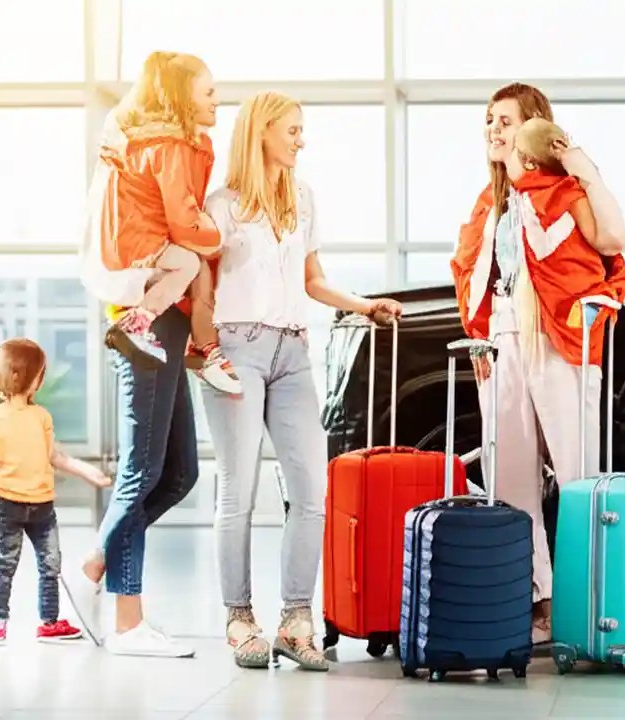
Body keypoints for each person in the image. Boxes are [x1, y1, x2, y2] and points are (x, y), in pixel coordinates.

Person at [201, 91, 402, 670]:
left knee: (312, 491)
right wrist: (206, 350)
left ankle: (295, 618)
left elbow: (313, 278)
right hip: (236, 345)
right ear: (261, 131)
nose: (300, 139)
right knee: (237, 492)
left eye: (302, 129)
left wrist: (363, 305)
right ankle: (239, 619)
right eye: (291, 129)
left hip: (293, 350)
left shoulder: (303, 199)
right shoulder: (222, 205)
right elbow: (203, 290)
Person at [450, 83, 625, 644]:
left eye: (505, 121)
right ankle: (536, 598)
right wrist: (478, 336)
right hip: (502, 338)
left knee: (577, 470)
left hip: (558, 335)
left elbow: (613, 237)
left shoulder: (563, 189)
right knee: (508, 477)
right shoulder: (489, 203)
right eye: (488, 121)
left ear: (531, 128)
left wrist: (572, 155)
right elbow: (474, 280)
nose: (493, 130)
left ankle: (587, 597)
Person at [80, 51, 224, 658]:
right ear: (179, 94)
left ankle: (95, 560)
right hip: (145, 316)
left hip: (162, 315)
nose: (218, 99)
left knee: (180, 472)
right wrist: (223, 235)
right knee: (141, 473)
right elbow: (186, 228)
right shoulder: (168, 144)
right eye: (209, 91)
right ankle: (127, 620)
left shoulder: (145, 139)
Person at [0, 338, 112, 645]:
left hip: (43, 507)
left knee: (50, 565)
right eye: (41, 373)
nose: (42, 379)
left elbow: (57, 457)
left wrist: (89, 473)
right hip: (9, 505)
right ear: (28, 377)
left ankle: (49, 623)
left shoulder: (42, 417)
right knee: (6, 564)